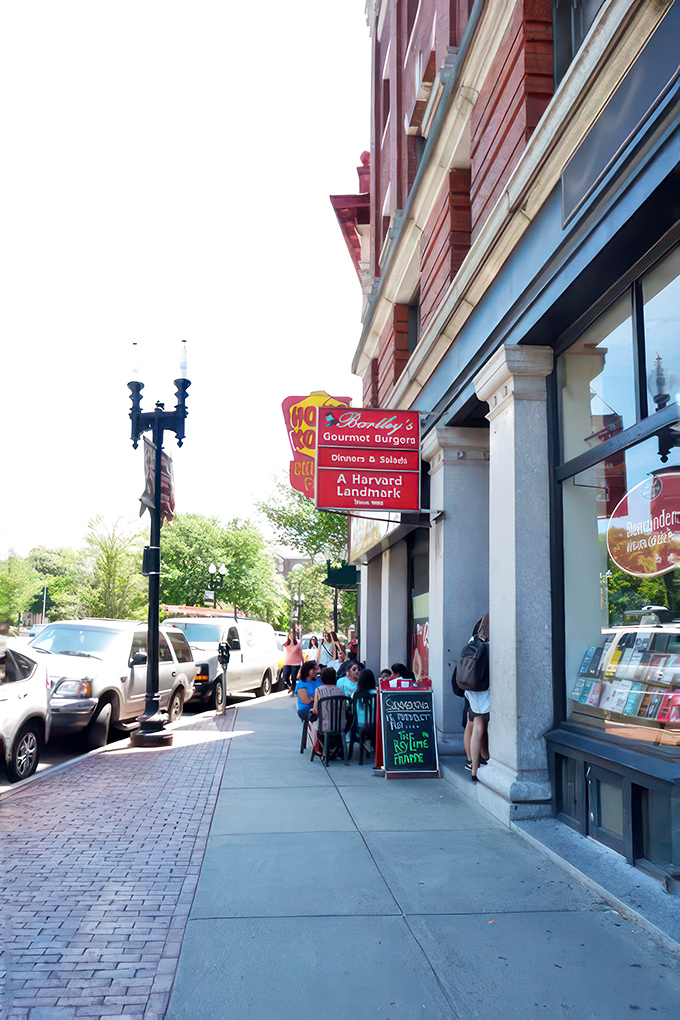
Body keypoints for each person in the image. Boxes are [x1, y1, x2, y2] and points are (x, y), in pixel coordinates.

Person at [464, 614, 490, 782]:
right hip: (487, 690)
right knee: (487, 728)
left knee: (476, 729)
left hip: (472, 690)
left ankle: (474, 770)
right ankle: (488, 759)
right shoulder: (490, 645)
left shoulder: (472, 641)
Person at [282, 629, 303, 695]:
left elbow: (301, 654)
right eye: (290, 635)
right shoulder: (286, 644)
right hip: (287, 663)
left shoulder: (298, 645)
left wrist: (303, 663)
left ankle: (293, 690)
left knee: (294, 677)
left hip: (296, 663)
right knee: (285, 677)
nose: (291, 636)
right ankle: (290, 687)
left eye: (292, 635)